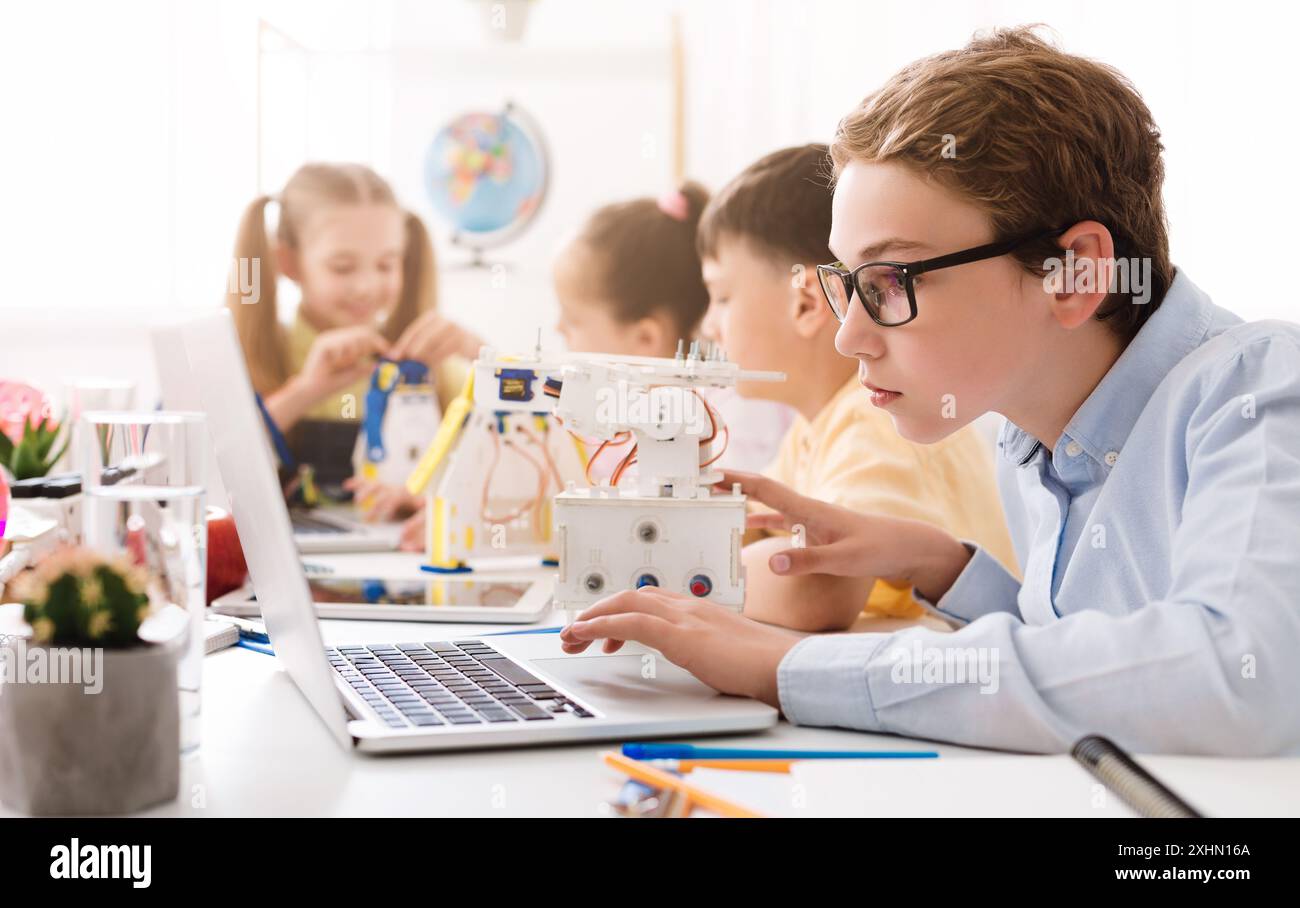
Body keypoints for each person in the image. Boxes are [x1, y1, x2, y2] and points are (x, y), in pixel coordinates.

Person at [559, 27, 1300, 756]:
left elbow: (1236, 675)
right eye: (847, 283)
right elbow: (1097, 663)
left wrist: (787, 669)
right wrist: (947, 568)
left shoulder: (1257, 392)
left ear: (1074, 273)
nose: (848, 336)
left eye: (889, 281)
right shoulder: (1034, 438)